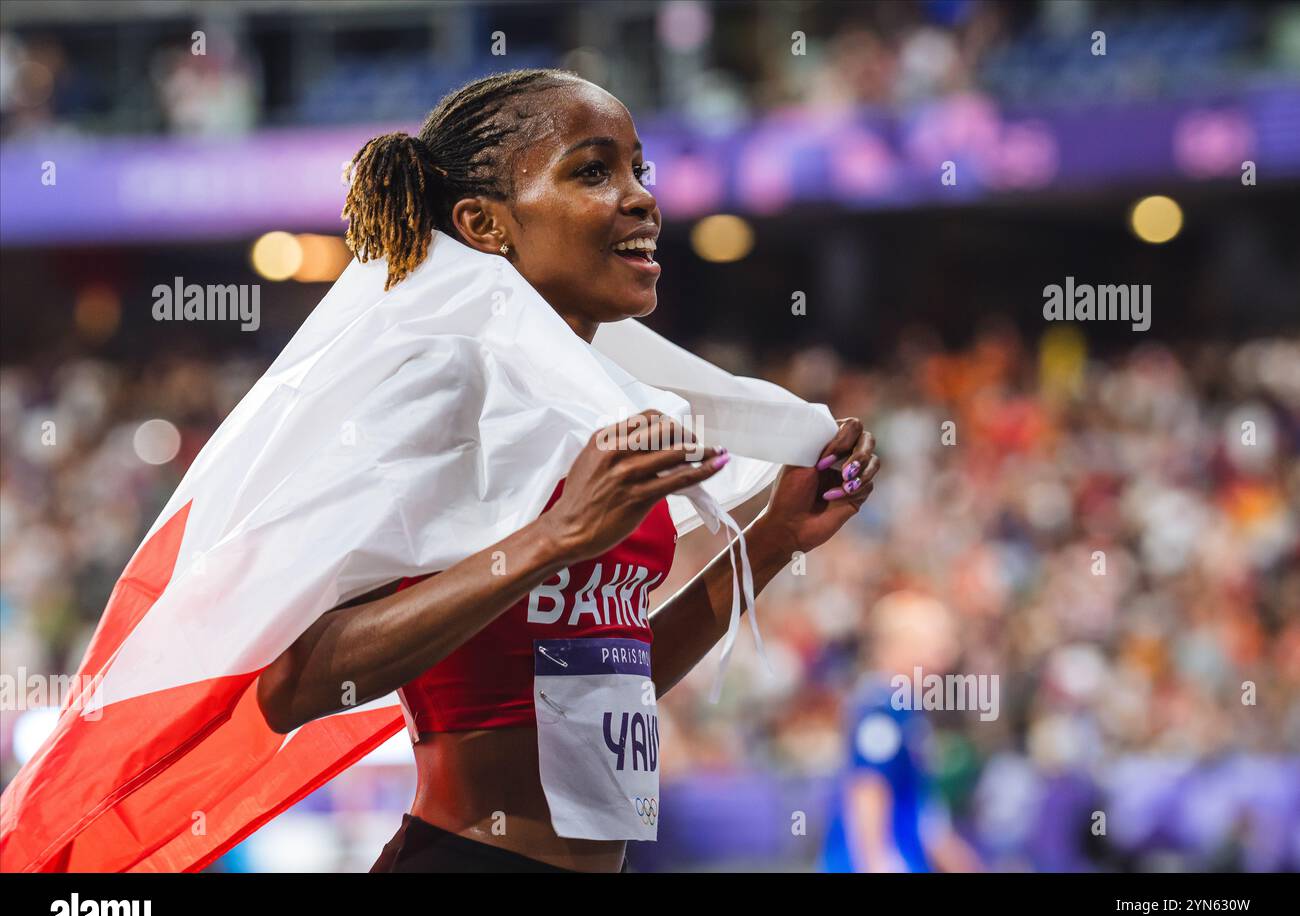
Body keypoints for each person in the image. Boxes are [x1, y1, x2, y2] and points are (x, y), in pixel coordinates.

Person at [255, 68, 880, 873]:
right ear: (484, 223)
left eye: (638, 170)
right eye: (593, 171)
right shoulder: (440, 389)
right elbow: (293, 688)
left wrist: (773, 539)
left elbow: (604, 684)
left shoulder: (606, 403)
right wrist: (554, 538)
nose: (642, 198)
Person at [821, 590, 982, 873]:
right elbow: (868, 788)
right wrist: (876, 863)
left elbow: (924, 815)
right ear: (899, 646)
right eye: (934, 644)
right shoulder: (881, 707)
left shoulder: (907, 707)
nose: (945, 655)